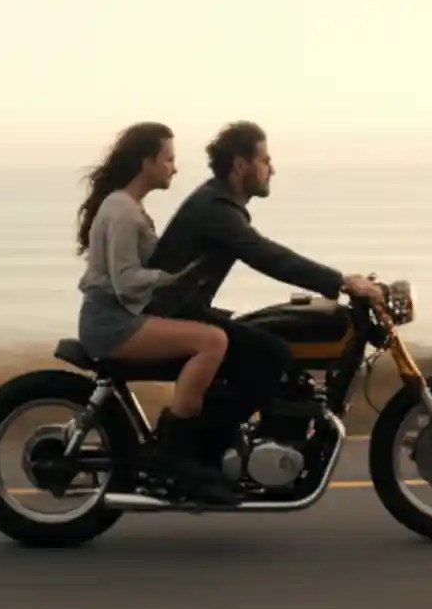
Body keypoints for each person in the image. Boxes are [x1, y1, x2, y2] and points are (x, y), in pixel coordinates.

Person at [143, 121, 385, 433]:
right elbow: (265, 255)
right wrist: (340, 281)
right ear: (241, 165)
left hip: (183, 310)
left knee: (264, 337)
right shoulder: (216, 209)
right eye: (265, 160)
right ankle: (197, 444)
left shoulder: (217, 201)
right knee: (272, 355)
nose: (272, 169)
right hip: (171, 315)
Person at [74, 121, 237, 503]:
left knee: (217, 329)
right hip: (112, 322)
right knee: (212, 342)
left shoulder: (126, 206)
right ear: (147, 162)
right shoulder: (124, 212)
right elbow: (126, 281)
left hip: (118, 316)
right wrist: (174, 276)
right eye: (168, 159)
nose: (174, 168)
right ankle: (176, 455)